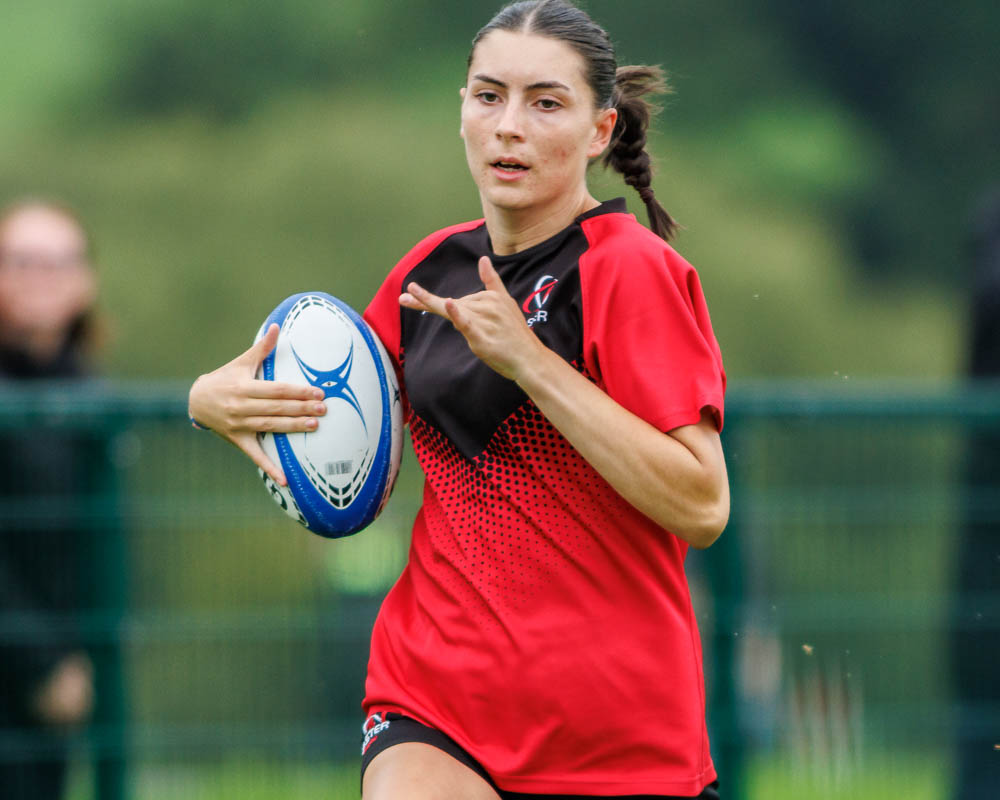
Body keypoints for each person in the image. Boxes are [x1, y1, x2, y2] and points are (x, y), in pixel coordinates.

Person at [188, 1, 729, 797]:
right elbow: (331, 404)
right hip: (432, 692)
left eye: (546, 102)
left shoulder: (628, 268)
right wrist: (211, 398)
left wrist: (533, 364)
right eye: (488, 95)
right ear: (464, 111)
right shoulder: (430, 270)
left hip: (617, 735)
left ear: (599, 132)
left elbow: (703, 503)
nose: (510, 125)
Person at [0, 200, 98, 798]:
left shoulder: (90, 392)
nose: (44, 275)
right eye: (24, 261)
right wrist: (43, 665)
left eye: (60, 261)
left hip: (57, 690)